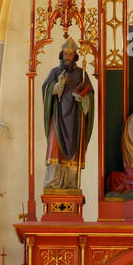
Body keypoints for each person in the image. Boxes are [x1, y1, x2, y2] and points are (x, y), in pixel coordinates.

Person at [41, 36, 94, 191]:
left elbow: (90, 93)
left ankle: (71, 184)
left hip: (75, 120)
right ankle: (53, 183)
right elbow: (46, 90)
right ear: (61, 55)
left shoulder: (81, 74)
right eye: (65, 54)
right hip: (58, 119)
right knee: (55, 147)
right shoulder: (56, 72)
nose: (67, 57)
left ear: (75, 56)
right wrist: (57, 86)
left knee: (74, 151)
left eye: (70, 54)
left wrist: (83, 97)